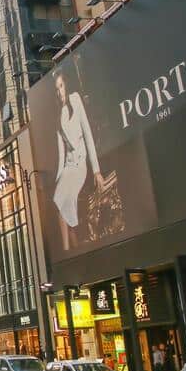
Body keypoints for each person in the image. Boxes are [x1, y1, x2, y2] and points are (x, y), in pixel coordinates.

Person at [52, 72, 105, 252]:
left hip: (80, 164)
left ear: (66, 84)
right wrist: (58, 179)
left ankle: (71, 251)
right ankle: (72, 250)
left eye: (61, 86)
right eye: (56, 89)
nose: (60, 92)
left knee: (64, 202)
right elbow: (61, 155)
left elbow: (88, 134)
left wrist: (96, 170)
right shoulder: (58, 117)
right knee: (58, 200)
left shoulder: (76, 99)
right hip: (68, 167)